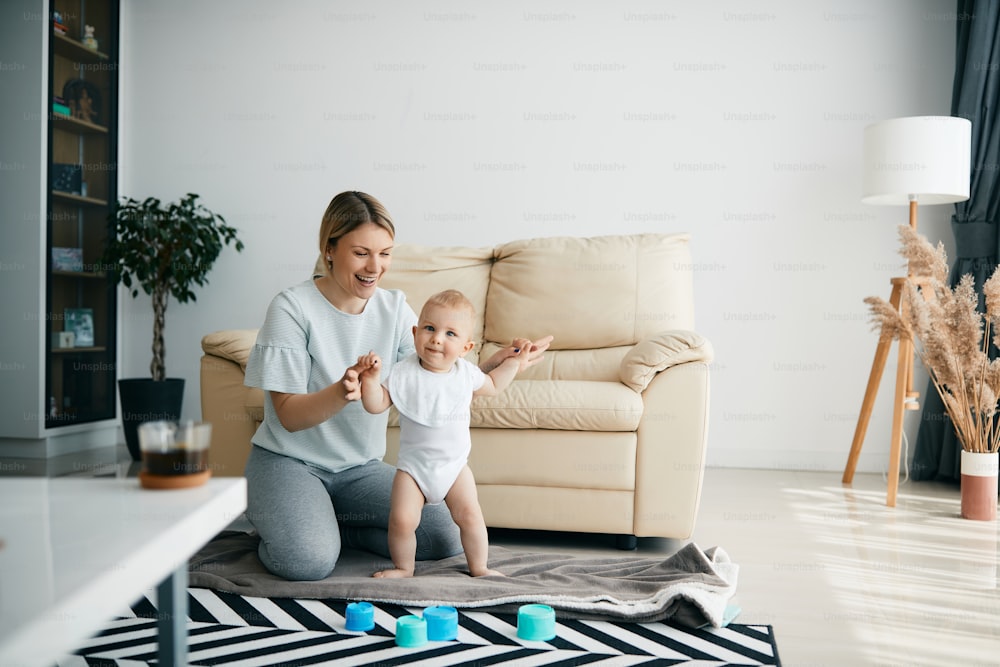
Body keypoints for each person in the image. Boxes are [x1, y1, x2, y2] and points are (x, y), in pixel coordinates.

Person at [243, 190, 551, 581]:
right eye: (361, 253)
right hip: (289, 463)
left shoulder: (393, 307)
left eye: (385, 253)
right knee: (307, 562)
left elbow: (439, 369)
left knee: (442, 536)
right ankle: (295, 522)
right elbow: (287, 415)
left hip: (359, 469)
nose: (375, 266)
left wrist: (504, 359)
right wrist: (342, 390)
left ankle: (334, 527)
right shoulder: (291, 308)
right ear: (329, 249)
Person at [357, 289, 529, 578]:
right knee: (401, 520)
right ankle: (403, 567)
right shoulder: (403, 372)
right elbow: (376, 405)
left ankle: (480, 567)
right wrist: (371, 381)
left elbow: (494, 385)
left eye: (451, 334)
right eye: (429, 328)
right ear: (414, 333)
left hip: (454, 468)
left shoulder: (466, 374)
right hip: (413, 469)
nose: (437, 338)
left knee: (471, 516)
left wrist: (512, 361)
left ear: (466, 347)